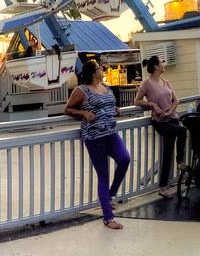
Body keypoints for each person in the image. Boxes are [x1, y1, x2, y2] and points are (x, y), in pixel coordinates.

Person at [64, 59, 130, 229]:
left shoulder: (105, 87)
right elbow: (68, 109)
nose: (103, 69)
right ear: (93, 73)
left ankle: (110, 195)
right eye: (100, 68)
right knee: (103, 175)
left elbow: (109, 103)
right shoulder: (82, 90)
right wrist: (83, 113)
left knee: (124, 159)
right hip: (94, 137)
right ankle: (108, 217)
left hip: (111, 133)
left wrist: (114, 109)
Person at [135, 55, 187, 198]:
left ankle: (162, 188)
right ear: (156, 67)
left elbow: (176, 100)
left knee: (167, 153)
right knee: (182, 131)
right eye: (161, 63)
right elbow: (137, 101)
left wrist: (170, 111)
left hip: (172, 119)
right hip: (160, 122)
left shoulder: (166, 82)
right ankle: (180, 161)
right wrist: (152, 104)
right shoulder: (147, 83)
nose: (164, 65)